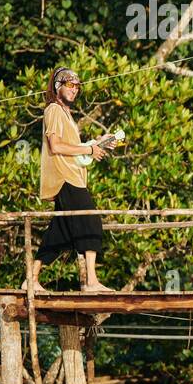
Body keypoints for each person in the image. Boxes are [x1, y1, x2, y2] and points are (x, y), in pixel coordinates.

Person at [25, 68, 115, 293]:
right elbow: (56, 147)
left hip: (72, 176)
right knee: (91, 222)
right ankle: (91, 282)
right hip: (65, 178)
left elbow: (75, 147)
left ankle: (31, 279)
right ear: (58, 87)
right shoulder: (54, 110)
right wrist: (90, 148)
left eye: (77, 87)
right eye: (70, 85)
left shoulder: (65, 113)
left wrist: (98, 143)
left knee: (59, 232)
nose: (74, 90)